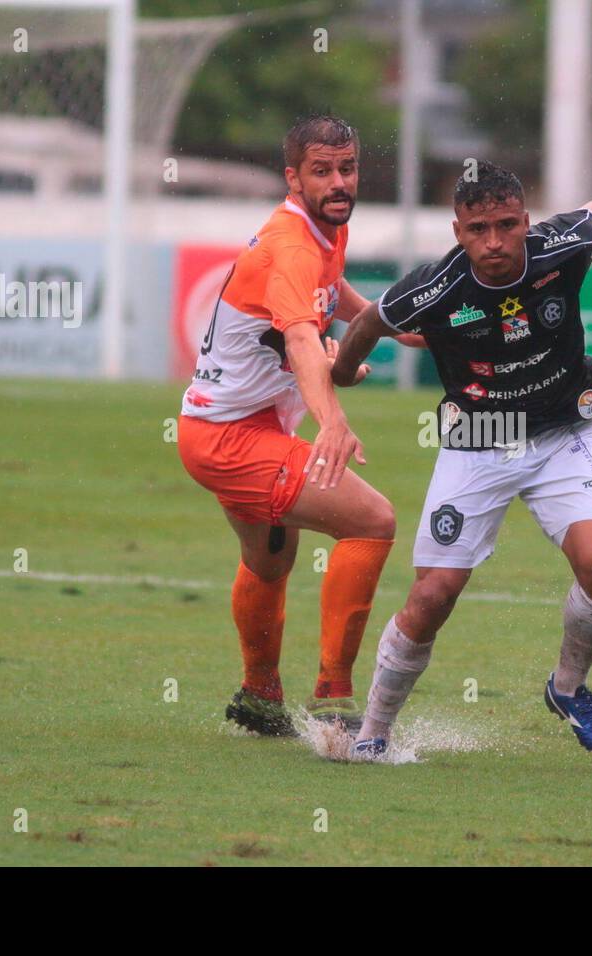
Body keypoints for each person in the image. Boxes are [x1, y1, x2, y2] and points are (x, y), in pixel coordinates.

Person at [331, 162, 592, 758]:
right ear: (458, 231)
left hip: (562, 435)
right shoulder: (436, 287)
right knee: (432, 598)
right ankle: (373, 733)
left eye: (507, 225)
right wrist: (343, 373)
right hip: (477, 444)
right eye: (478, 229)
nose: (495, 241)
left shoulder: (560, 246)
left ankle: (568, 688)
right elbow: (371, 319)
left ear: (526, 221)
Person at [177, 115, 396, 737]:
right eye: (321, 171)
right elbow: (302, 336)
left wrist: (384, 321)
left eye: (347, 168)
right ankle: (333, 699)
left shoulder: (321, 229)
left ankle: (260, 696)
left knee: (271, 561)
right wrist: (332, 421)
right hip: (231, 440)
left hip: (227, 429)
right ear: (292, 177)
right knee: (373, 522)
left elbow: (330, 289)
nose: (338, 182)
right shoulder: (294, 243)